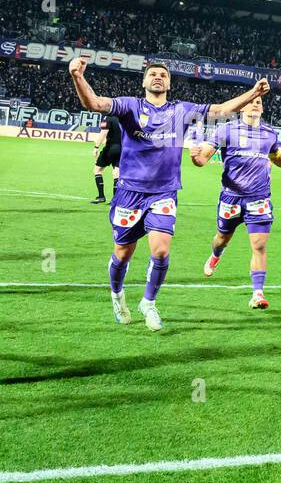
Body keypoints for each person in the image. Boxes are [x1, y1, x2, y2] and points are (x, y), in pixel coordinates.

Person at [68, 57, 269, 329]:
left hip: (164, 193)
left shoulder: (182, 111)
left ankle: (148, 302)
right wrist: (78, 77)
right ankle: (117, 295)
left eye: (163, 74)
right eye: (153, 74)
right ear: (144, 81)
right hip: (129, 192)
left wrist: (253, 93)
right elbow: (95, 104)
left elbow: (220, 110)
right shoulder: (130, 106)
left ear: (170, 82)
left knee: (161, 252)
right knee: (123, 253)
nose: (158, 77)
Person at [189, 95, 281, 309]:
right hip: (231, 198)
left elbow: (277, 159)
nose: (256, 103)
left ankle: (258, 293)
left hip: (259, 198)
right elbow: (203, 160)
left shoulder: (269, 133)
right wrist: (195, 157)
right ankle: (215, 255)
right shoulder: (226, 130)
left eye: (259, 102)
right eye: (252, 101)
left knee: (259, 245)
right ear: (242, 107)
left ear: (263, 109)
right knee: (221, 238)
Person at [90, 116, 122, 204]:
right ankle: (116, 200)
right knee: (117, 173)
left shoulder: (108, 118)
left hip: (111, 148)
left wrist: (96, 147)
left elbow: (103, 132)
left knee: (97, 170)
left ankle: (101, 196)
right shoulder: (124, 117)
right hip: (124, 149)